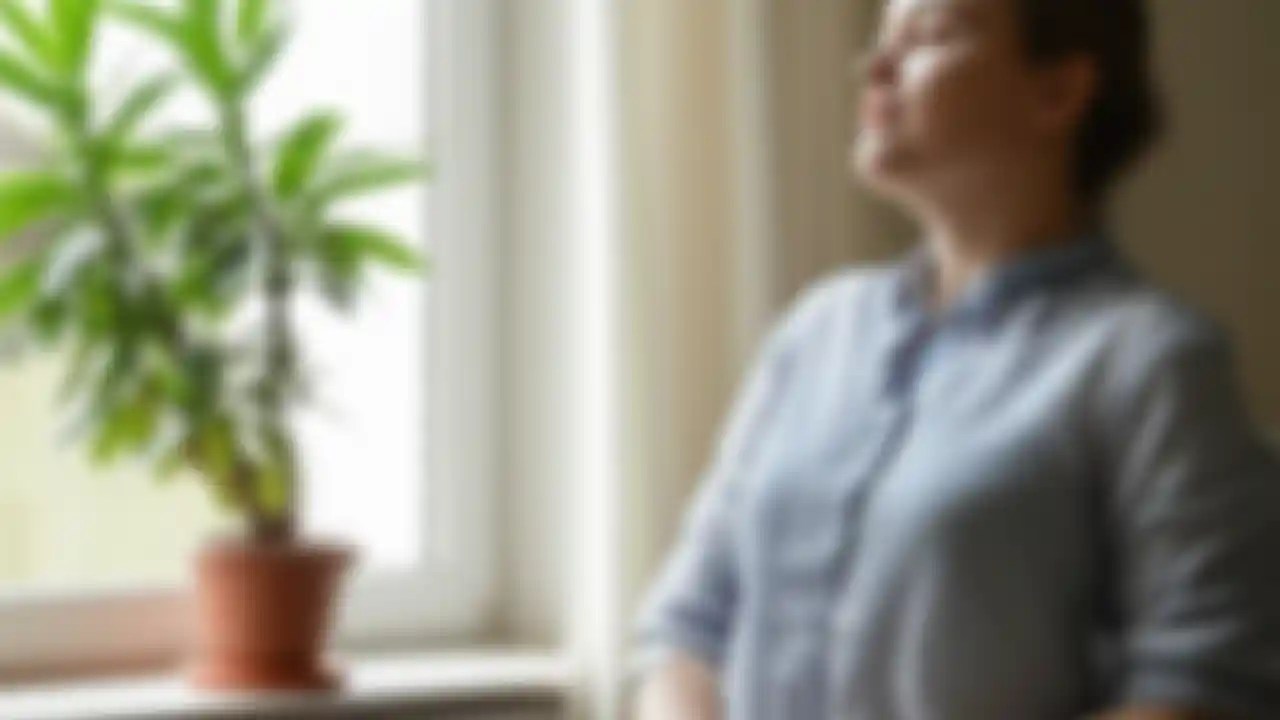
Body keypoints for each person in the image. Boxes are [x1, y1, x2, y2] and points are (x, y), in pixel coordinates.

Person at [631, 0, 1280, 718]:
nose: (876, 68)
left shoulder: (1151, 364)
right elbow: (685, 629)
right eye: (881, 42)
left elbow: (1202, 683)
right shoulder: (818, 333)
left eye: (929, 37)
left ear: (1057, 91)